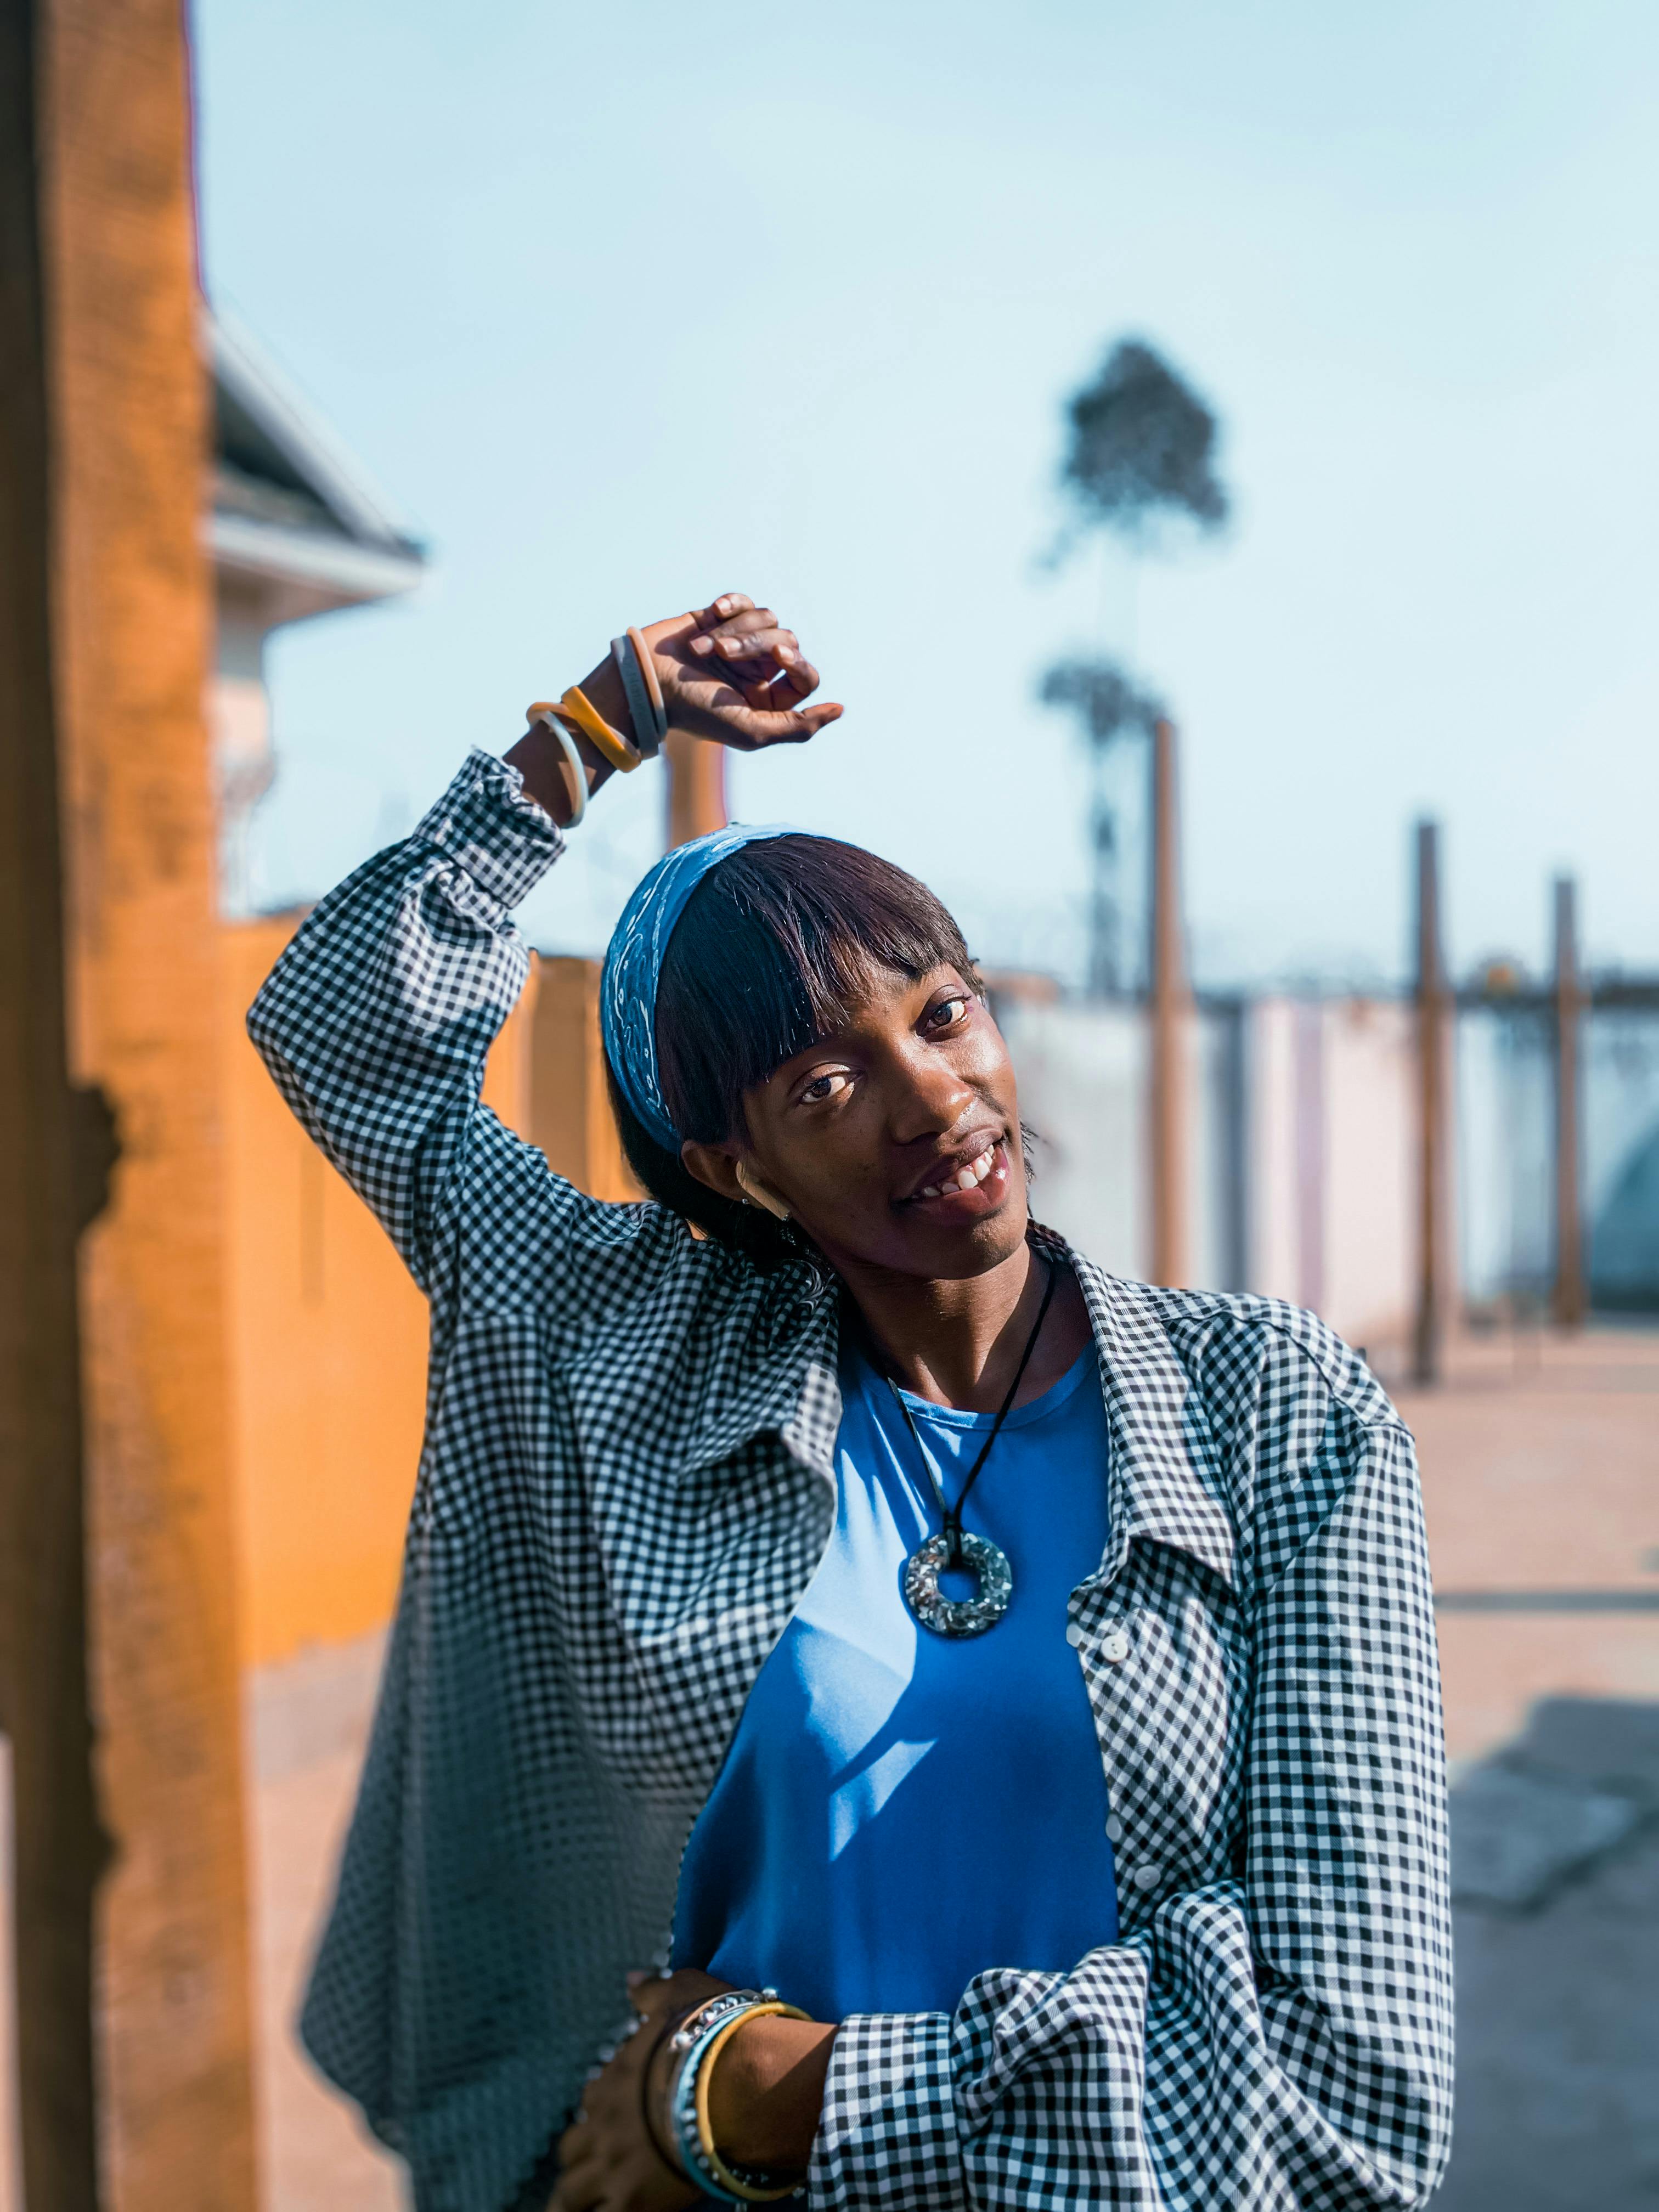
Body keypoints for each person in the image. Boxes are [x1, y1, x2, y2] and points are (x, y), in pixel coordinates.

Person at [248, 594, 1452, 2212]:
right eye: (827, 1084)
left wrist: (764, 2093)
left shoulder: (1278, 1414)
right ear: (735, 1168)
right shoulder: (617, 1347)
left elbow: (1351, 2086)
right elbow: (344, 1037)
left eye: (943, 1013)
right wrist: (588, 733)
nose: (933, 1097)